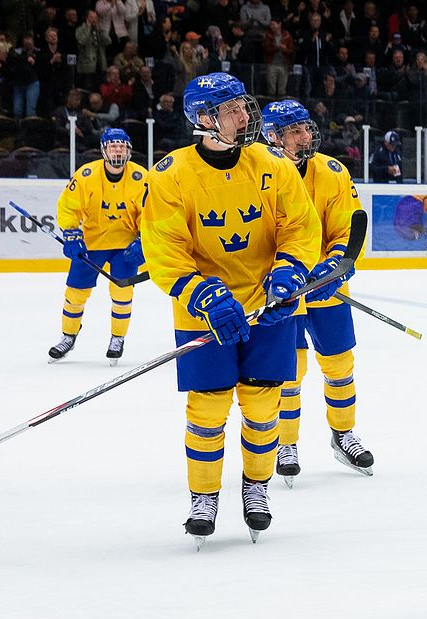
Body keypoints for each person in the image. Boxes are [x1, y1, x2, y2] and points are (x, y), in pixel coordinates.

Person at [140, 73, 321, 548]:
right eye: (233, 109)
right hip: (203, 311)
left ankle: (256, 487)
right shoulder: (170, 174)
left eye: (244, 106)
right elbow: (162, 248)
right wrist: (202, 293)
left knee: (263, 405)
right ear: (205, 119)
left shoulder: (272, 165)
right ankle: (203, 496)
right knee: (208, 405)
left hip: (268, 308)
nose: (245, 116)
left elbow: (299, 226)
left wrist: (288, 273)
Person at [261, 100, 374, 487]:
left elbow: (347, 228)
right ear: (273, 138)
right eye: (295, 131)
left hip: (325, 290)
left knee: (339, 364)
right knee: (290, 372)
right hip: (284, 292)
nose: (306, 136)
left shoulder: (332, 171)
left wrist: (337, 264)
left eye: (306, 128)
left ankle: (343, 434)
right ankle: (286, 443)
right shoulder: (259, 174)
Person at [49, 128, 147, 365]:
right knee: (75, 293)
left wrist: (145, 240)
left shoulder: (141, 177)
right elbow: (68, 207)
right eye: (113, 146)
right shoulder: (86, 175)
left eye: (122, 147)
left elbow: (151, 212)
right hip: (93, 243)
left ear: (129, 150)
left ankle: (117, 337)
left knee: (122, 293)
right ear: (103, 149)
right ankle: (68, 336)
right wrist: (71, 232)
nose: (117, 151)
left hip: (126, 246)